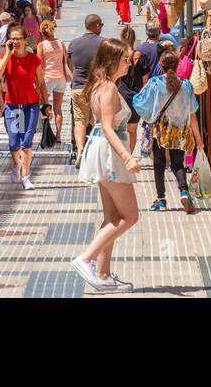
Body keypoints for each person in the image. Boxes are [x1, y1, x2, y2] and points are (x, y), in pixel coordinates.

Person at [70, 38, 140, 292]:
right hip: (109, 153)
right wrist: (127, 156)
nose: (129, 64)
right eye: (125, 59)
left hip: (100, 149)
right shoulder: (108, 88)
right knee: (131, 215)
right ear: (112, 60)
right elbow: (109, 128)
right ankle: (86, 258)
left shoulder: (101, 85)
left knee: (111, 217)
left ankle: (103, 273)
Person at [134, 51, 201, 214]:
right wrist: (199, 139)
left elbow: (140, 102)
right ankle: (184, 191)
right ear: (177, 66)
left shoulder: (155, 83)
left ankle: (161, 200)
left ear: (160, 65)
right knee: (178, 164)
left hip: (160, 130)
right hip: (180, 131)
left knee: (159, 164)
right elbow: (192, 113)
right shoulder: (186, 85)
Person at [0, 22, 49, 190]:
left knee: (26, 142)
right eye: (12, 39)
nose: (16, 42)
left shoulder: (33, 59)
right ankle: (16, 164)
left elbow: (41, 83)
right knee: (13, 143)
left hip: (31, 104)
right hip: (12, 105)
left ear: (26, 40)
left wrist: (46, 104)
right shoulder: (5, 56)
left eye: (18, 39)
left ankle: (26, 176)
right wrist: (8, 55)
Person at [68, 14, 105, 166]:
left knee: (79, 121)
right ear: (97, 26)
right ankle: (98, 153)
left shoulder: (74, 43)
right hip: (97, 87)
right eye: (101, 25)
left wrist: (73, 77)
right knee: (99, 121)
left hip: (78, 87)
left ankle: (81, 150)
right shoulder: (103, 43)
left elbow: (69, 65)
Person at [37, 19, 72, 143]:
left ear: (41, 32)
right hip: (60, 78)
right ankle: (58, 135)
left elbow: (39, 64)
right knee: (59, 109)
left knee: (44, 105)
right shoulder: (61, 43)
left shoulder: (41, 45)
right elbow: (65, 60)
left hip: (47, 79)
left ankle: (47, 132)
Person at [117, 25, 147, 153]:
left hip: (121, 97)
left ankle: (121, 155)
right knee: (132, 129)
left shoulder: (118, 57)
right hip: (136, 98)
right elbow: (145, 81)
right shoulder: (141, 57)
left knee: (119, 129)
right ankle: (129, 155)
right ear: (134, 39)